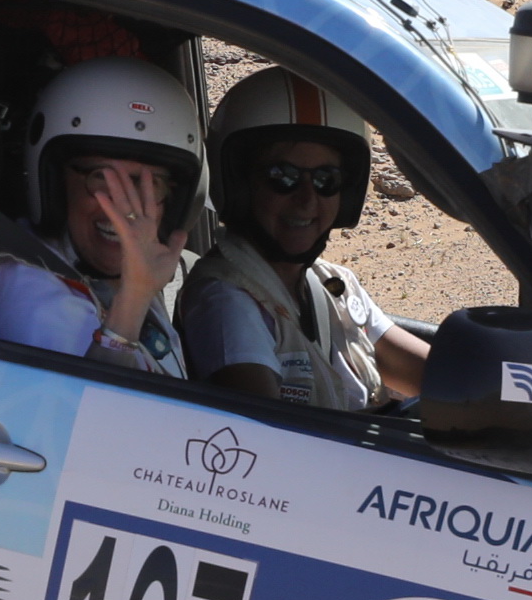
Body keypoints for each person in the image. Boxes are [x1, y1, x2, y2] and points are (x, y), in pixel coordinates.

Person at [182, 70, 427, 411]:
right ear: (239, 184)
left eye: (326, 179)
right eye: (283, 177)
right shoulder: (227, 300)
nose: (307, 200)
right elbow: (268, 436)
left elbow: (430, 374)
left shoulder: (333, 285)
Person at [0, 57, 199, 375]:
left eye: (147, 184)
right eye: (100, 177)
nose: (124, 207)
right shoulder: (29, 293)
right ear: (57, 186)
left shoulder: (124, 276)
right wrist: (132, 303)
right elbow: (86, 417)